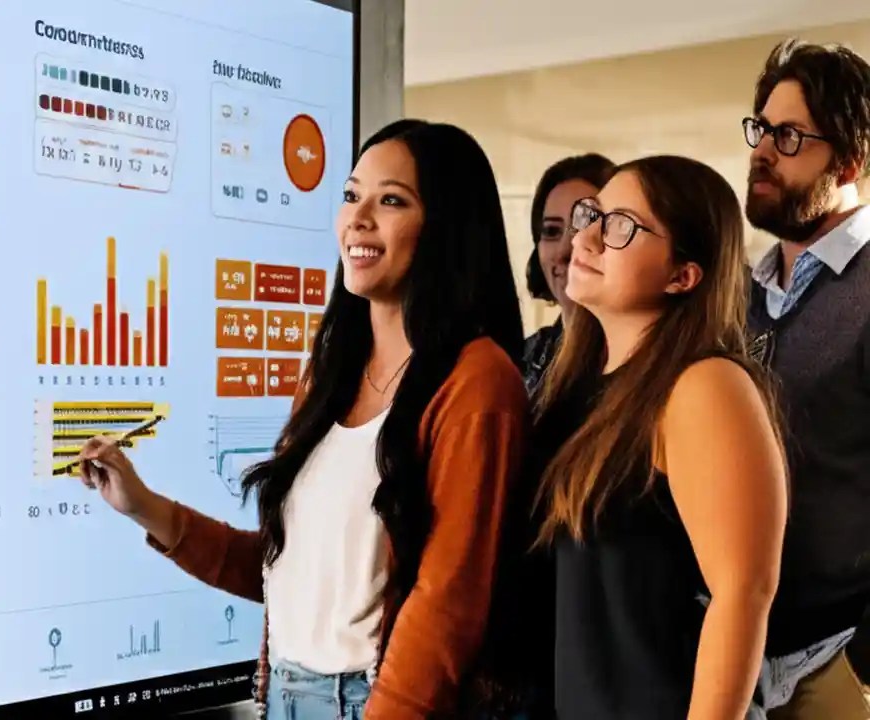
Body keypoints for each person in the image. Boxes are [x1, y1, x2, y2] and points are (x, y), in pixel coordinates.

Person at [74, 119, 528, 719]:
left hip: (375, 703)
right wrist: (145, 507)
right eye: (350, 195)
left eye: (390, 200)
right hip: (286, 695)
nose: (357, 218)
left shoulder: (476, 380)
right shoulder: (329, 376)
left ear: (446, 227)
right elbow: (283, 570)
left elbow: (448, 605)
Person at [533, 155, 788, 719]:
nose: (590, 235)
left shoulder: (704, 386)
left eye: (623, 224)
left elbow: (743, 595)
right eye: (593, 214)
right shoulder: (583, 386)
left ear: (683, 275)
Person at [740, 37, 870, 719]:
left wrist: (862, 664)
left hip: (836, 666)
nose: (761, 149)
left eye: (788, 136)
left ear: (849, 161)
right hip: (737, 658)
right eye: (761, 127)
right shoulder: (740, 295)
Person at [522, 153, 616, 395]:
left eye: (586, 225)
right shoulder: (521, 359)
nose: (565, 249)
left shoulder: (658, 365)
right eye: (551, 231)